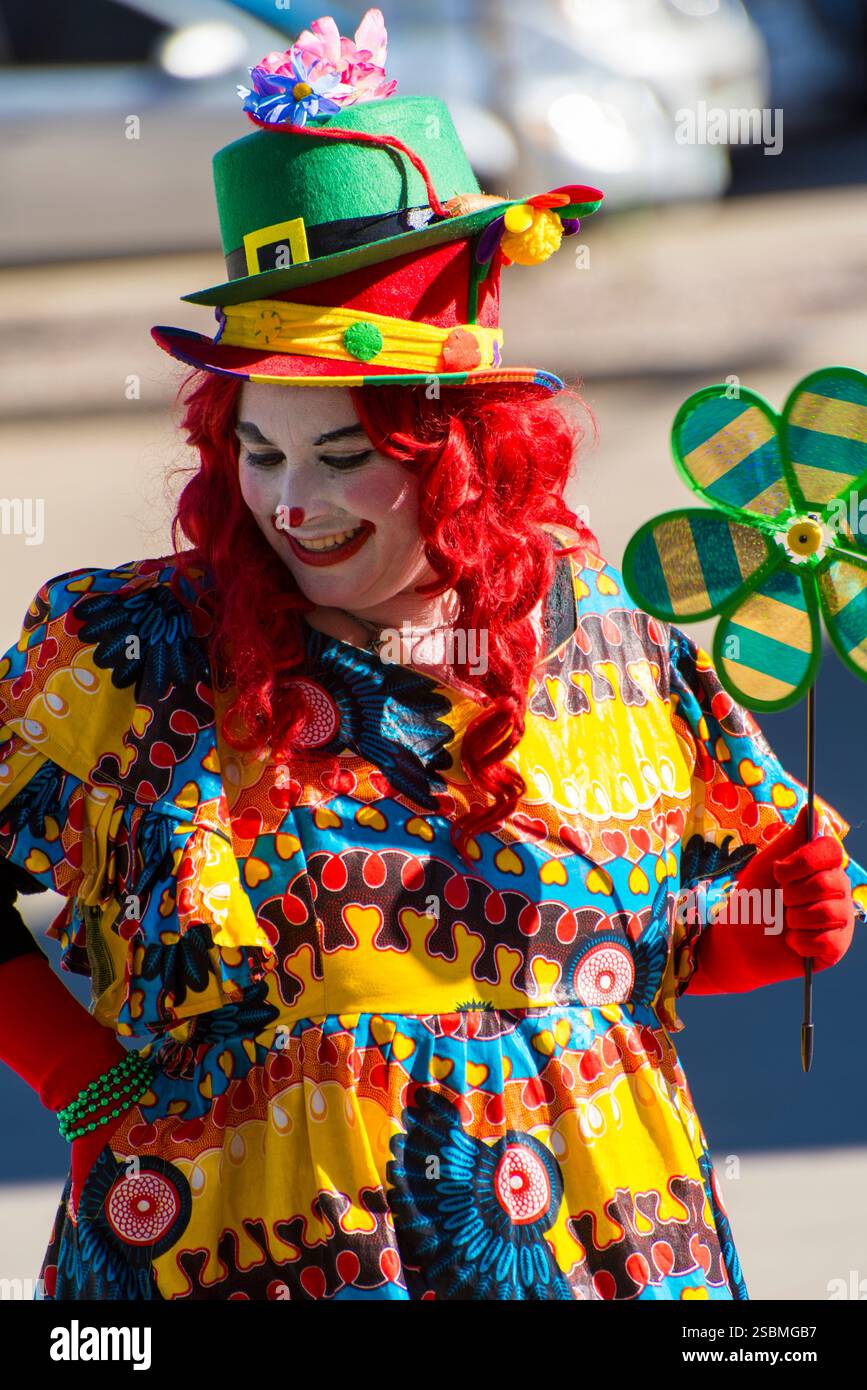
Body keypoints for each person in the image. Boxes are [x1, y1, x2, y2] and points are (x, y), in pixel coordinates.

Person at [0, 9, 863, 1302]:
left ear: (460, 456)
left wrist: (778, 918)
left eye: (344, 455)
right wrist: (77, 1068)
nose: (292, 501)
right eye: (262, 449)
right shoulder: (132, 650)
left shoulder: (608, 649)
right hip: (227, 1257)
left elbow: (640, 961)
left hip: (590, 1253)